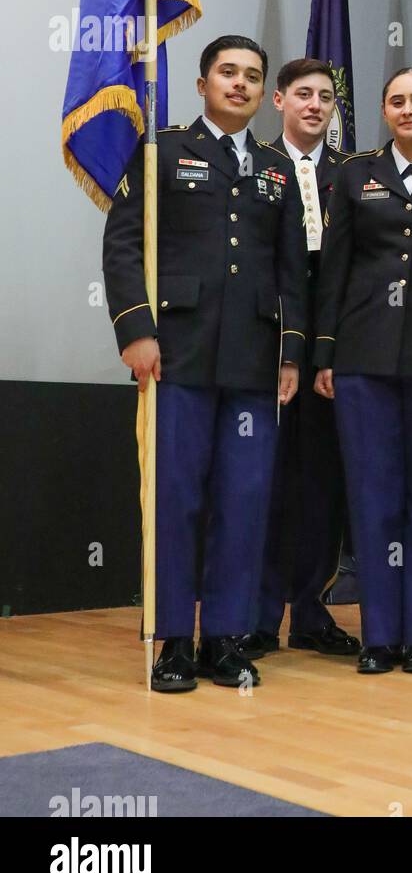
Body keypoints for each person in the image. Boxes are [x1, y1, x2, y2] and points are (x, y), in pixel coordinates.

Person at [102, 36, 307, 693]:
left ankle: (225, 638)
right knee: (177, 501)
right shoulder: (163, 152)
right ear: (201, 85)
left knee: (244, 503)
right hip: (178, 357)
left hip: (253, 361)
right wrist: (136, 328)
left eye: (252, 76)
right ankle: (170, 642)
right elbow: (125, 243)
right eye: (228, 73)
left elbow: (291, 271)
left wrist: (292, 352)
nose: (241, 85)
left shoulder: (278, 170)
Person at [313, 68, 412, 675]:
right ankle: (379, 634)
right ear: (384, 110)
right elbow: (335, 270)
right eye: (397, 101)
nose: (408, 110)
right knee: (373, 497)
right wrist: (325, 354)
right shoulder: (355, 173)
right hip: (363, 356)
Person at [240, 59, 360, 663]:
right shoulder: (255, 165)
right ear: (278, 100)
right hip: (265, 341)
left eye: (325, 97)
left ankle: (312, 611)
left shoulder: (355, 173)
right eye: (303, 94)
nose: (315, 105)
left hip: (332, 342)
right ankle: (259, 616)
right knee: (264, 479)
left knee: (322, 483)